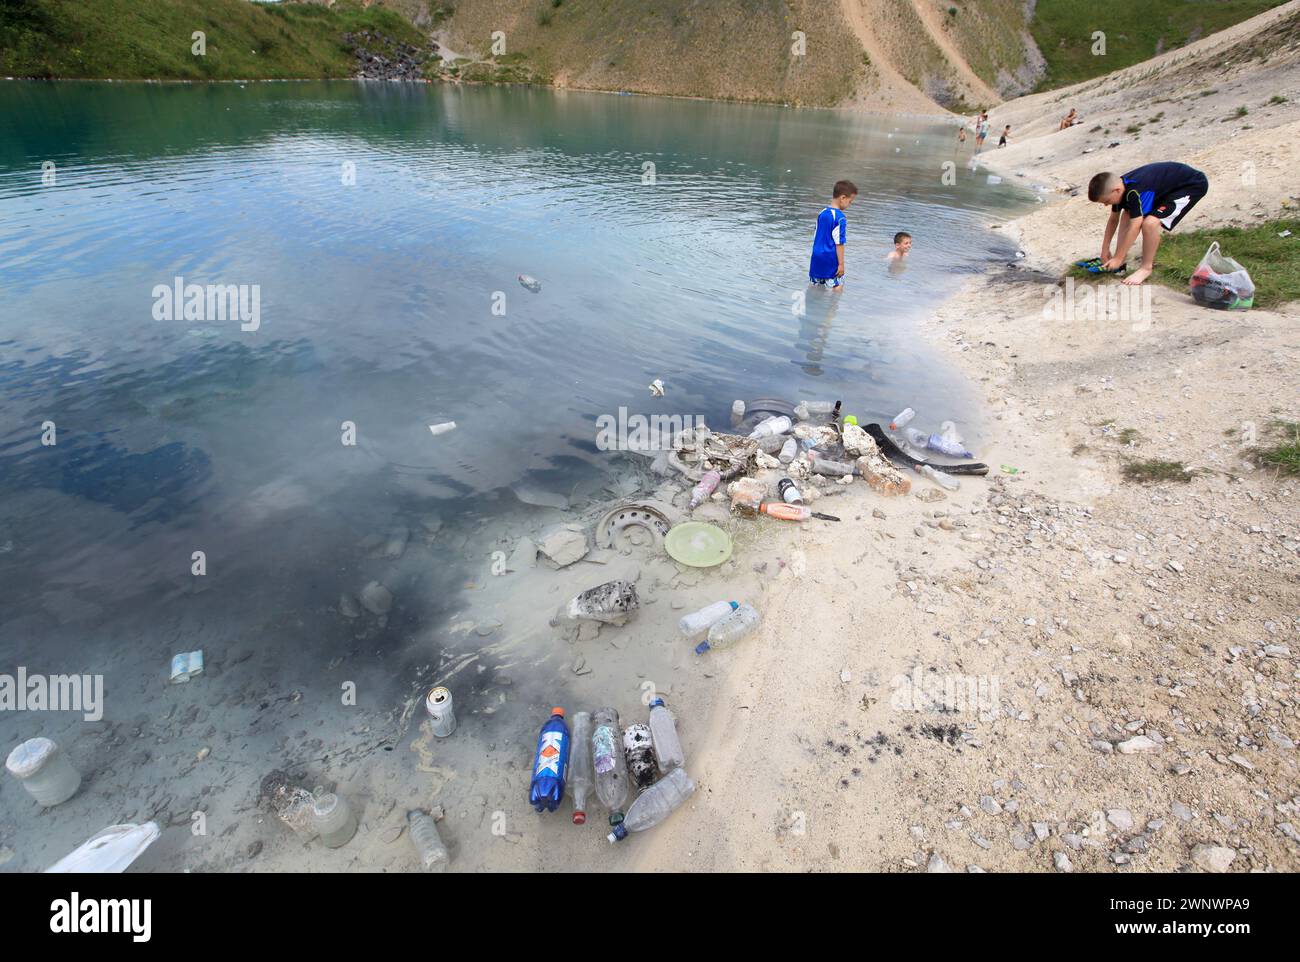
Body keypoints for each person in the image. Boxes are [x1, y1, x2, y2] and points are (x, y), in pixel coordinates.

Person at [1087, 162, 1209, 286]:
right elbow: (1113, 219)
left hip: (1191, 185)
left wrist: (1117, 257)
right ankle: (1120, 260)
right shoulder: (1119, 188)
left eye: (1107, 201)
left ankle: (1146, 268)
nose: (1106, 205)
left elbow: (1135, 226)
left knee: (1150, 224)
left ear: (1116, 191)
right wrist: (1105, 249)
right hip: (1166, 187)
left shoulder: (1135, 192)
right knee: (1127, 213)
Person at [808, 180, 857, 291]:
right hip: (830, 258)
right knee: (838, 285)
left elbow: (816, 235)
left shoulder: (822, 213)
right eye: (850, 201)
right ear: (843, 198)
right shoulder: (840, 218)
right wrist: (841, 264)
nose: (850, 204)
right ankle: (833, 308)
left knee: (815, 286)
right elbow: (839, 243)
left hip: (816, 257)